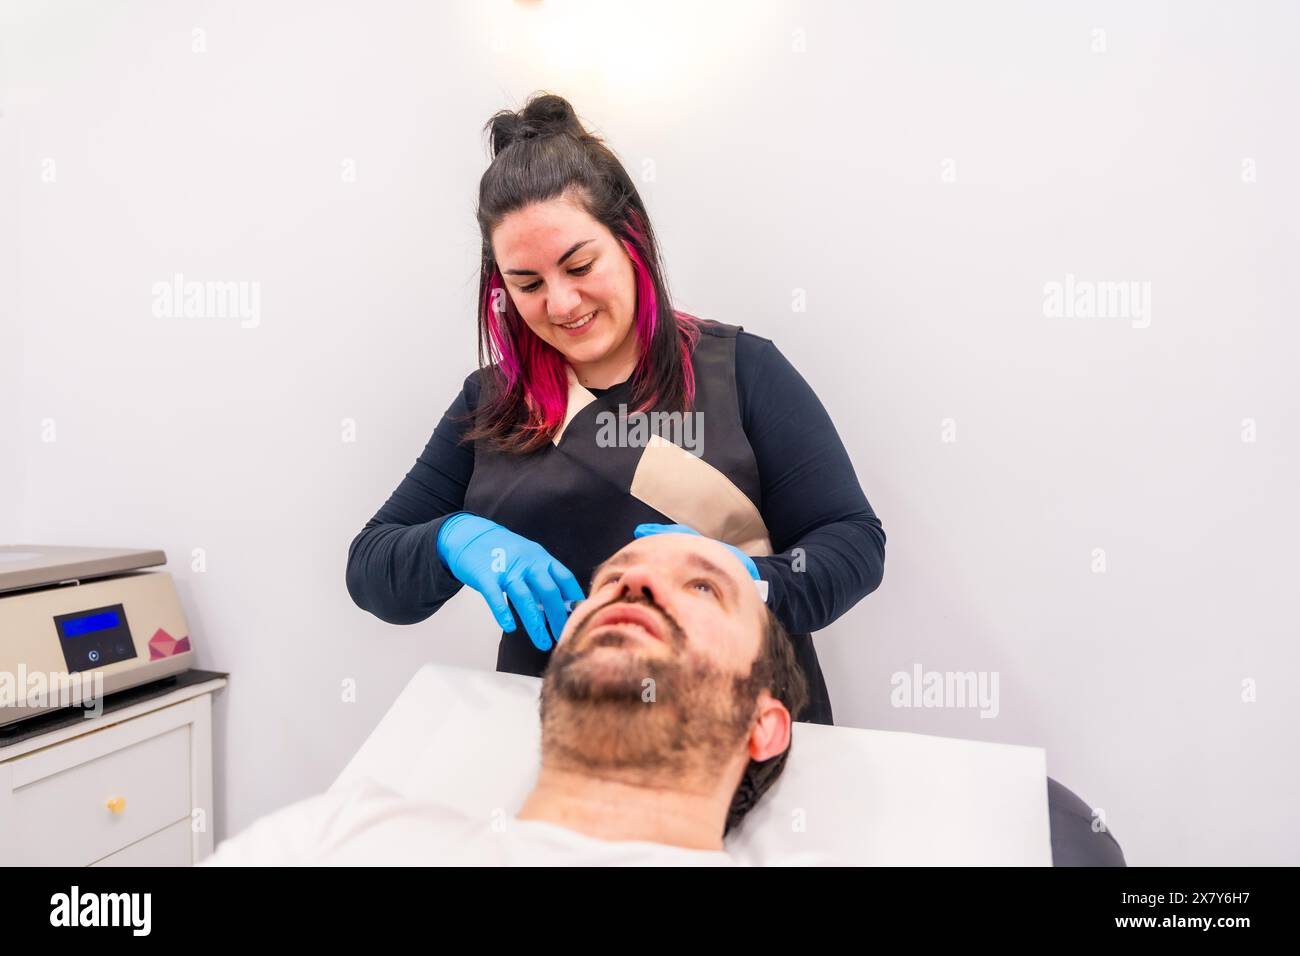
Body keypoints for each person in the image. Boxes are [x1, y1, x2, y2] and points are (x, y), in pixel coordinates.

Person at [345, 91, 885, 725]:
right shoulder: (492, 405)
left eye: (580, 265)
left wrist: (749, 581)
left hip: (735, 733)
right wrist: (454, 539)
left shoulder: (742, 371)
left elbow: (854, 543)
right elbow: (371, 568)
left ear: (630, 239)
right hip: (566, 744)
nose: (562, 302)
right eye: (527, 283)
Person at [203, 532, 808, 866]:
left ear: (765, 724)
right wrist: (445, 536)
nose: (634, 582)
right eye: (611, 580)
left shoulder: (743, 367)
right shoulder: (340, 833)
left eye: (702, 586)